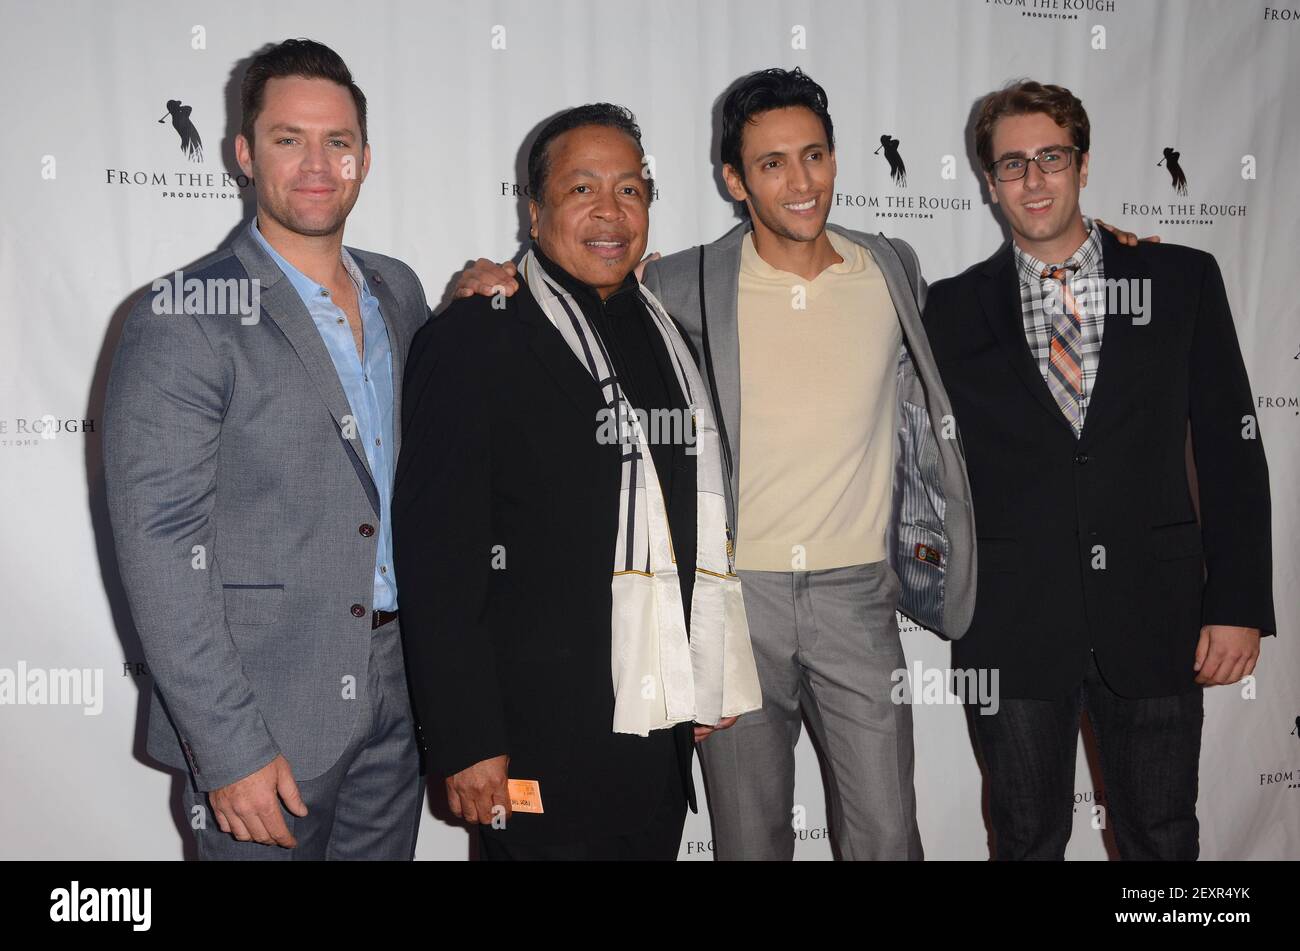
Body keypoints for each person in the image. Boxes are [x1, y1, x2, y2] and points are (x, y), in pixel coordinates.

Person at [455, 68, 979, 861]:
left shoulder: (892, 269)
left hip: (858, 600)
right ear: (733, 179)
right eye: (771, 163)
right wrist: (482, 279)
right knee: (746, 840)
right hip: (730, 605)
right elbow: (578, 271)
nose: (799, 182)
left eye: (814, 156)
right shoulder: (680, 280)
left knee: (887, 836)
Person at [394, 104, 760, 861]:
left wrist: (703, 667)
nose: (610, 212)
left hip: (654, 739)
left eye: (630, 190)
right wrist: (465, 739)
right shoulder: (474, 336)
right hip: (532, 745)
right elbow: (439, 558)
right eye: (581, 189)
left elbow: (690, 526)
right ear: (534, 211)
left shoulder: (668, 337)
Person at [921, 80, 1274, 860]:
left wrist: (1239, 601)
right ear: (988, 183)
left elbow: (1231, 448)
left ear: (1083, 163)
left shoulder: (1179, 281)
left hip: (1157, 614)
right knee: (1024, 837)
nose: (1034, 179)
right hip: (1009, 628)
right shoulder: (947, 310)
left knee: (1161, 835)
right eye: (1012, 164)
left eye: (1051, 156)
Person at [104, 39, 430, 860]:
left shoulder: (400, 290)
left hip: (401, 690)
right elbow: (160, 551)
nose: (317, 164)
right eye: (289, 139)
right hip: (263, 714)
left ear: (364, 156)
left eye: (338, 141)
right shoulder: (183, 314)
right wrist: (229, 748)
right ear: (244, 154)